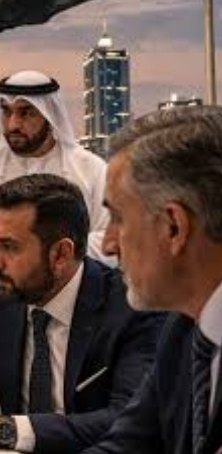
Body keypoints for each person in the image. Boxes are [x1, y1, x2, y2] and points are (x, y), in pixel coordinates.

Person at [0, 173, 163, 453]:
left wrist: (1, 430)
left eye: (9, 247)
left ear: (60, 254)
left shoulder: (134, 308)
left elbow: (127, 422)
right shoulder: (1, 301)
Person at [81, 106, 222, 454]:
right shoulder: (183, 331)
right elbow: (126, 446)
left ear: (173, 227)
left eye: (117, 218)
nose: (108, 244)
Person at [0, 70, 111, 338]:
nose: (13, 124)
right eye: (6, 112)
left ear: (49, 114)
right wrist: (8, 256)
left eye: (26, 113)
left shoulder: (91, 171)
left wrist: (32, 254)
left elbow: (111, 247)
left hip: (72, 329)